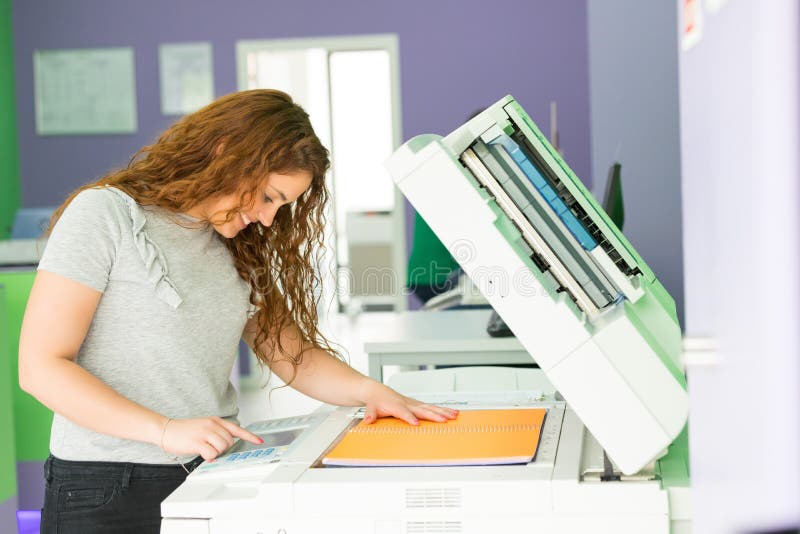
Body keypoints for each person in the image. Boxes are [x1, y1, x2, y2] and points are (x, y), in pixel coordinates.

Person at [18, 89, 457, 533]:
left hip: (206, 472)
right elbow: (40, 367)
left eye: (281, 205)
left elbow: (293, 356)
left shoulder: (240, 247)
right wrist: (165, 430)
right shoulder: (105, 215)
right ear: (228, 154)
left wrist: (373, 393)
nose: (269, 219)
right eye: (268, 196)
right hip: (106, 486)